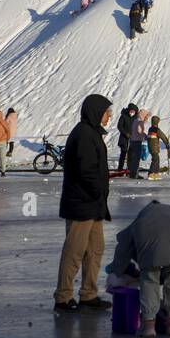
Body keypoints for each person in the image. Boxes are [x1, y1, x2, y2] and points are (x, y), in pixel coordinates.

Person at [109, 200, 170, 338]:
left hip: (149, 238)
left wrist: (116, 272)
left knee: (149, 277)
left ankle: (148, 326)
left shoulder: (143, 216)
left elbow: (123, 247)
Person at [54, 94, 115, 313]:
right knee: (75, 251)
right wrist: (99, 189)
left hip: (94, 205)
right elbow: (86, 171)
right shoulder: (84, 135)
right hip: (81, 205)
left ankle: (88, 294)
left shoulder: (92, 134)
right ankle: (63, 296)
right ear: (96, 112)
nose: (109, 117)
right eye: (107, 112)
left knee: (95, 250)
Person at [115, 103, 137, 173]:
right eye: (131, 111)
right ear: (128, 110)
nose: (132, 113)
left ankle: (129, 169)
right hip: (124, 138)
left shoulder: (135, 117)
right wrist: (125, 133)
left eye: (133, 112)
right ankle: (120, 168)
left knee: (131, 154)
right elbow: (119, 126)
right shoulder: (123, 116)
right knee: (123, 153)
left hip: (132, 138)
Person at [129, 109, 149, 180]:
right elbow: (140, 131)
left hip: (132, 141)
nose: (147, 118)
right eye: (146, 116)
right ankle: (135, 174)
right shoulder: (140, 122)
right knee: (136, 159)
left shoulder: (135, 121)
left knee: (134, 158)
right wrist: (146, 136)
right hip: (137, 142)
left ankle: (132, 173)